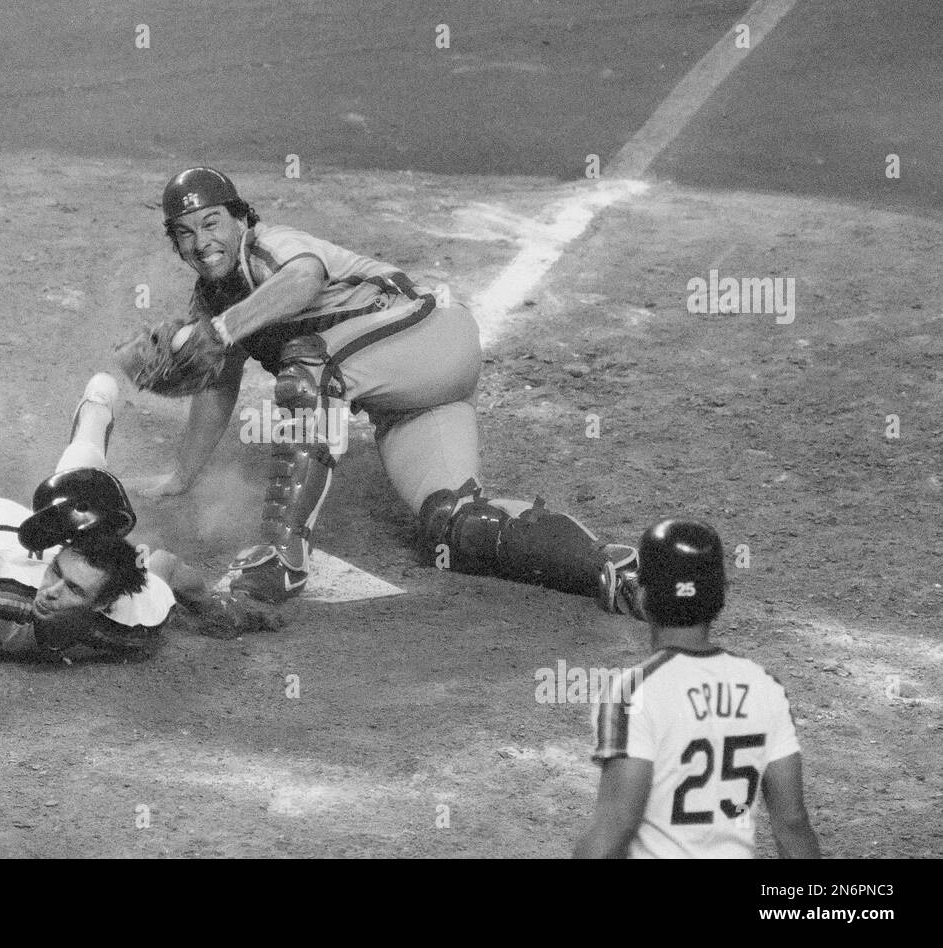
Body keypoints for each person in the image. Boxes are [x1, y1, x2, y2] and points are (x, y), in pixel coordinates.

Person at [136, 166, 642, 616]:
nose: (201, 242)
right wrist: (183, 475)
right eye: (184, 233)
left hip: (431, 338)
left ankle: (281, 557)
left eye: (211, 223)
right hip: (414, 397)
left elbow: (305, 278)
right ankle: (612, 568)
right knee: (454, 528)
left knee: (309, 367)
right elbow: (219, 386)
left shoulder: (269, 246)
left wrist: (225, 328)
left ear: (240, 219)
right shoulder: (213, 298)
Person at [0, 374, 178, 739]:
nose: (51, 590)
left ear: (105, 603)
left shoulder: (135, 619)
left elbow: (164, 563)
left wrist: (209, 597)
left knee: (80, 489)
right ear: (59, 553)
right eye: (55, 572)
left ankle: (95, 409)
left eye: (73, 589)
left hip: (27, 548)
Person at [573, 519, 821, 859]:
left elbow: (615, 827)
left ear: (643, 597)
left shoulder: (635, 692)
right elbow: (792, 825)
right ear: (718, 597)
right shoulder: (765, 688)